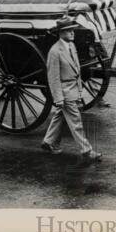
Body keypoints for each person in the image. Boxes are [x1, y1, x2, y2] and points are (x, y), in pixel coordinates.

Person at [42, 19, 102, 161]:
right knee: (76, 122)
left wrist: (80, 90)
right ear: (61, 33)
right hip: (64, 92)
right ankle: (86, 151)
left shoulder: (71, 46)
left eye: (73, 30)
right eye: (69, 31)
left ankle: (48, 142)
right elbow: (53, 78)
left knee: (60, 116)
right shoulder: (55, 52)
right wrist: (58, 98)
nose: (72, 33)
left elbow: (77, 70)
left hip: (73, 89)